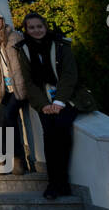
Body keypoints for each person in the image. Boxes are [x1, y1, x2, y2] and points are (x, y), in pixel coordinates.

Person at [15, 12, 97, 199]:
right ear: (26, 30)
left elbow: (70, 75)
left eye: (39, 26)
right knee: (50, 138)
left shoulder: (61, 44)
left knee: (62, 132)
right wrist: (44, 105)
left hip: (67, 98)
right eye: (32, 27)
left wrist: (59, 101)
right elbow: (29, 82)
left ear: (45, 26)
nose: (36, 30)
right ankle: (54, 184)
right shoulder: (23, 50)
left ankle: (62, 182)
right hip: (44, 101)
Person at [0, 1, 37, 175]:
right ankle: (7, 158)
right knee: (3, 122)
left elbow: (28, 59)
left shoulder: (16, 36)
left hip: (19, 87)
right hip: (1, 89)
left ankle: (17, 159)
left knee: (10, 117)